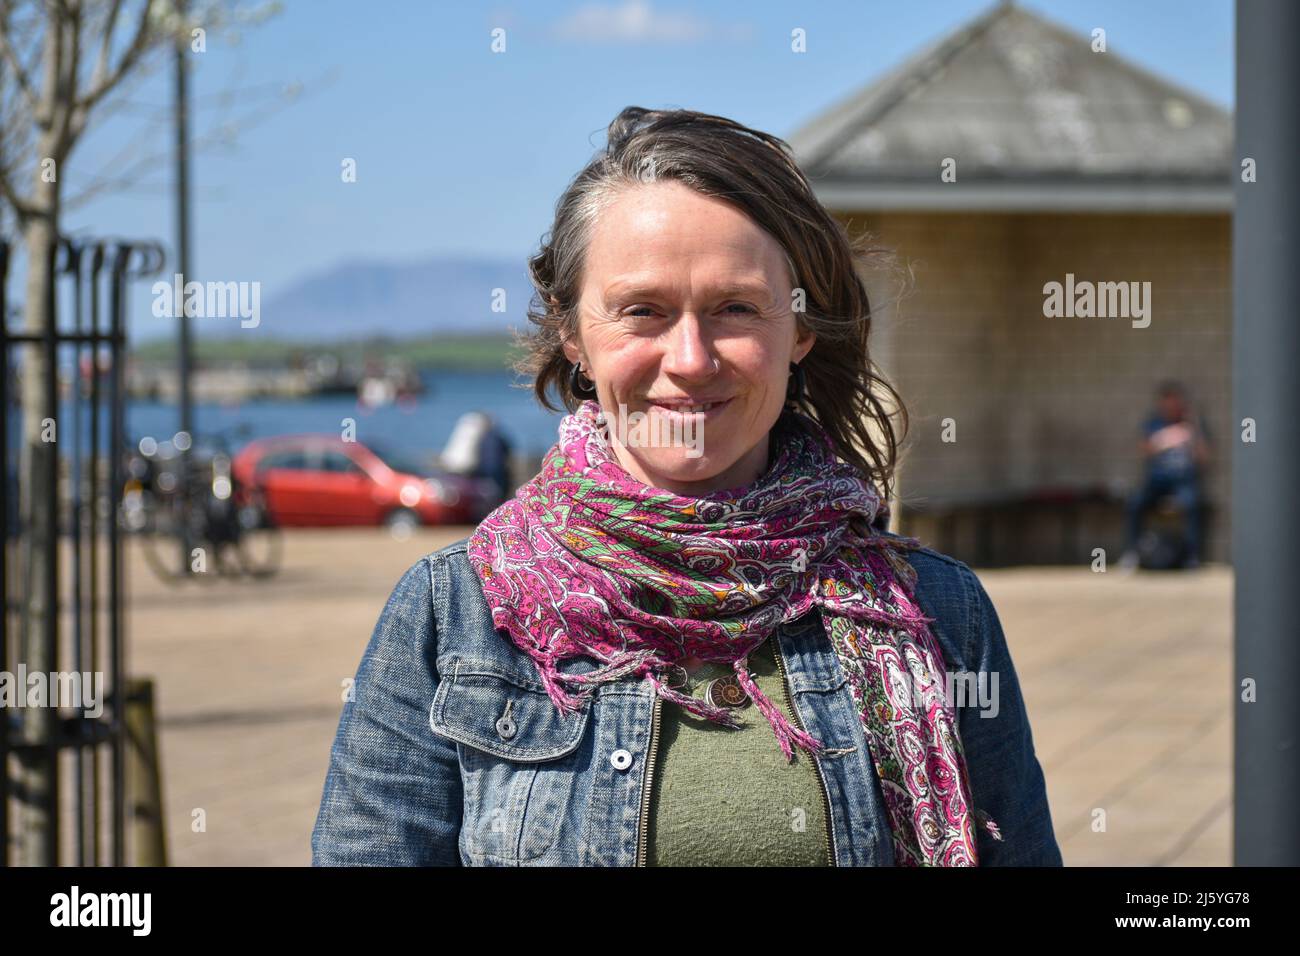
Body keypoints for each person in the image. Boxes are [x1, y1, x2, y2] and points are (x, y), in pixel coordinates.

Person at [312, 107, 1061, 867]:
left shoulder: (935, 612)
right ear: (573, 335)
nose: (692, 358)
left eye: (736, 308)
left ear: (800, 332)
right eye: (644, 311)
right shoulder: (455, 615)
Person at [1119, 381, 1211, 571]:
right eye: (1167, 403)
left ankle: (1192, 557)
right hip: (1157, 481)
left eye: (1175, 403)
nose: (1171, 407)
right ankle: (1132, 554)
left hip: (1183, 481)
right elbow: (1143, 450)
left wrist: (1193, 432)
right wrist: (1165, 439)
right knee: (1135, 502)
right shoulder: (1154, 423)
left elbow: (1204, 459)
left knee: (1192, 503)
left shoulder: (1192, 425)